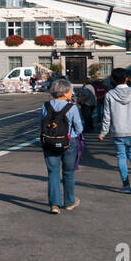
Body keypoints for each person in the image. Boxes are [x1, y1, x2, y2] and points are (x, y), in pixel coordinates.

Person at [99, 67, 131, 193]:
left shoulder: (109, 95)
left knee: (121, 157)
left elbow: (107, 116)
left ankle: (126, 186)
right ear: (126, 79)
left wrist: (103, 133)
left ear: (113, 80)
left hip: (118, 132)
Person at [40, 79, 84, 214]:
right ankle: (69, 202)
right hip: (69, 142)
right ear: (65, 92)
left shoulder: (46, 106)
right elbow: (79, 128)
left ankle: (54, 204)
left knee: (53, 172)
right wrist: (71, 136)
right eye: (71, 91)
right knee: (68, 172)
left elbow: (41, 124)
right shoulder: (72, 108)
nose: (72, 93)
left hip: (49, 142)